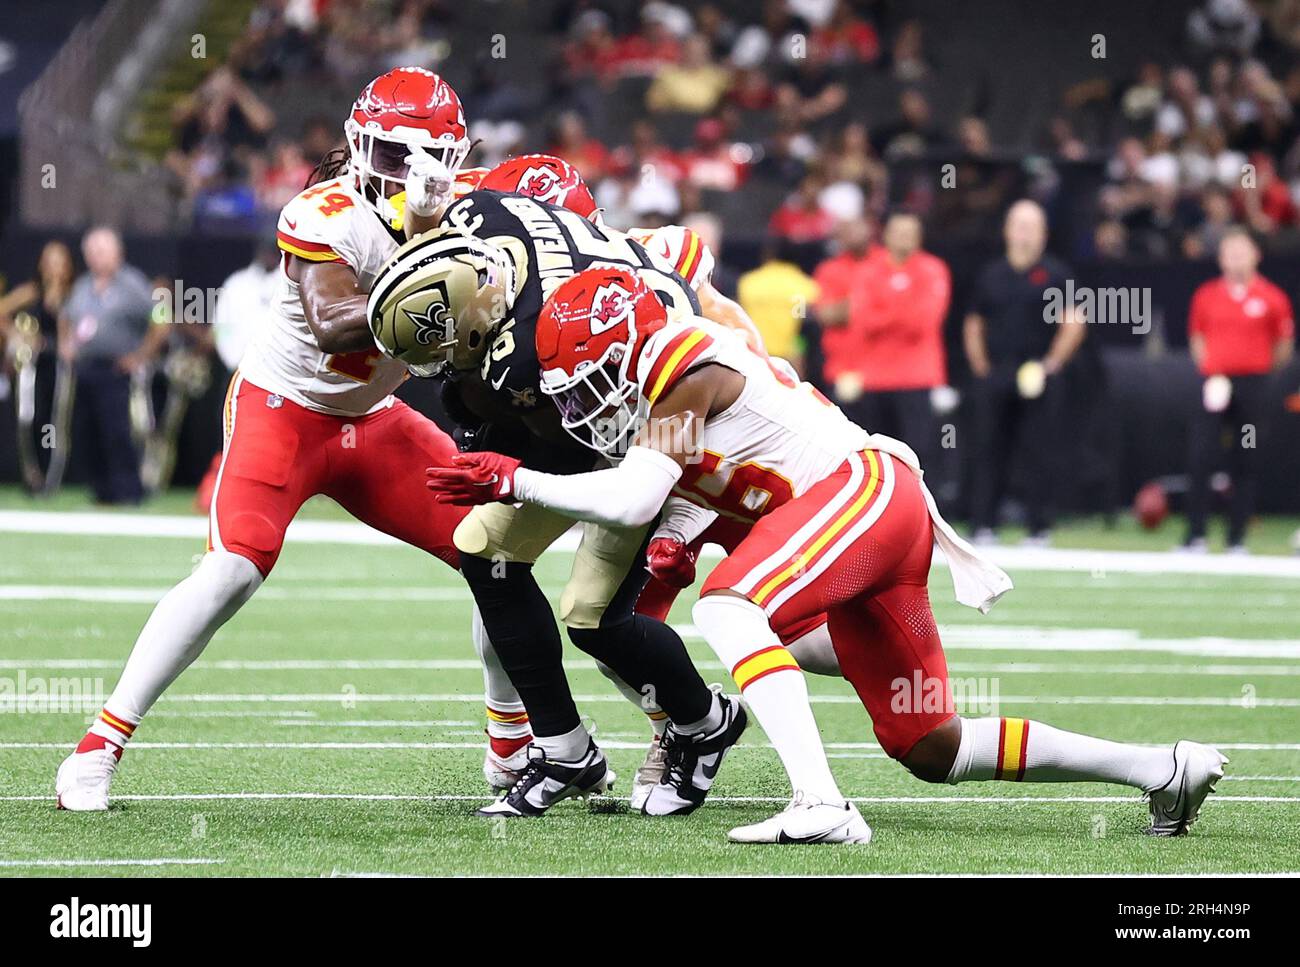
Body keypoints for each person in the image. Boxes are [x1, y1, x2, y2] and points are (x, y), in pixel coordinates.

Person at [427, 267, 1227, 844]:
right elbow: (679, 492)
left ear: (628, 344)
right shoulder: (668, 389)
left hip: (866, 492)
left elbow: (634, 494)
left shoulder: (684, 363)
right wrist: (674, 542)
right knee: (931, 745)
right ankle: (1161, 768)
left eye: (586, 379)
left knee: (730, 607)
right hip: (872, 521)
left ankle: (821, 801)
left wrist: (513, 477)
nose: (579, 402)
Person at [54, 67, 478, 811]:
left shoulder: (471, 218)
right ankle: (100, 744)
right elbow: (334, 319)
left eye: (422, 163)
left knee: (492, 548)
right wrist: (433, 269)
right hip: (285, 408)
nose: (406, 178)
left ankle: (514, 743)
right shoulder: (326, 211)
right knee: (232, 569)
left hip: (375, 421)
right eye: (390, 157)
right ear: (358, 146)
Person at [962, 200, 1086, 544]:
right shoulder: (991, 275)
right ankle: (984, 524)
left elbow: (1074, 321)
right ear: (1007, 230)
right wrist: (981, 366)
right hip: (998, 371)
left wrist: (1052, 363)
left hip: (1038, 372)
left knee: (1040, 449)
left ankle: (1038, 527)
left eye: (1032, 226)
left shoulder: (1057, 274)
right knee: (988, 447)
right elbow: (974, 323)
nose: (1025, 233)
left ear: (1044, 233)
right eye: (1019, 225)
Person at [1185, 227, 1294, 551]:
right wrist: (1211, 370)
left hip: (1253, 386)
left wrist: (1258, 371)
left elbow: (1283, 345)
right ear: (1220, 259)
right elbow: (1197, 338)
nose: (1235, 259)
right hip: (1215, 384)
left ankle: (1236, 538)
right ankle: (1195, 535)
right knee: (1201, 456)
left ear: (1255, 255)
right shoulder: (1206, 295)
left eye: (1241, 252)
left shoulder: (1272, 297)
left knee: (1246, 458)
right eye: (1229, 253)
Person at [58, 227, 168, 505]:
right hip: (86, 369)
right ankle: (101, 490)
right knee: (87, 430)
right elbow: (67, 317)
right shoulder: (83, 286)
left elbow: (161, 317)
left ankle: (129, 490)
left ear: (117, 253)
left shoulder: (132, 284)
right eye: (92, 252)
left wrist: (141, 356)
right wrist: (67, 344)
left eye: (102, 251)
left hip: (117, 371)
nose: (96, 257)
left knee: (117, 431)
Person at [844, 212, 950, 473]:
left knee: (920, 455)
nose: (904, 237)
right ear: (886, 235)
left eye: (910, 232)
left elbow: (924, 321)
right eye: (899, 231)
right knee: (877, 458)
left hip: (917, 379)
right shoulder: (867, 271)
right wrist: (903, 306)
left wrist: (885, 309)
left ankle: (924, 511)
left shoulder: (933, 269)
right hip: (874, 380)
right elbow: (862, 320)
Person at [0, 240, 76, 489]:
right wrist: (16, 334)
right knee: (29, 418)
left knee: (52, 422)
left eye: (58, 261)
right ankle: (32, 474)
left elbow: (73, 330)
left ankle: (51, 474)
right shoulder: (30, 292)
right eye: (49, 261)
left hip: (58, 365)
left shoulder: (74, 296)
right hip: (31, 364)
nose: (53, 267)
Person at [737, 236, 820, 372]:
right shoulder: (803, 287)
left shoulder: (748, 283)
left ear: (768, 255)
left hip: (754, 356)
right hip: (788, 360)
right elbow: (801, 326)